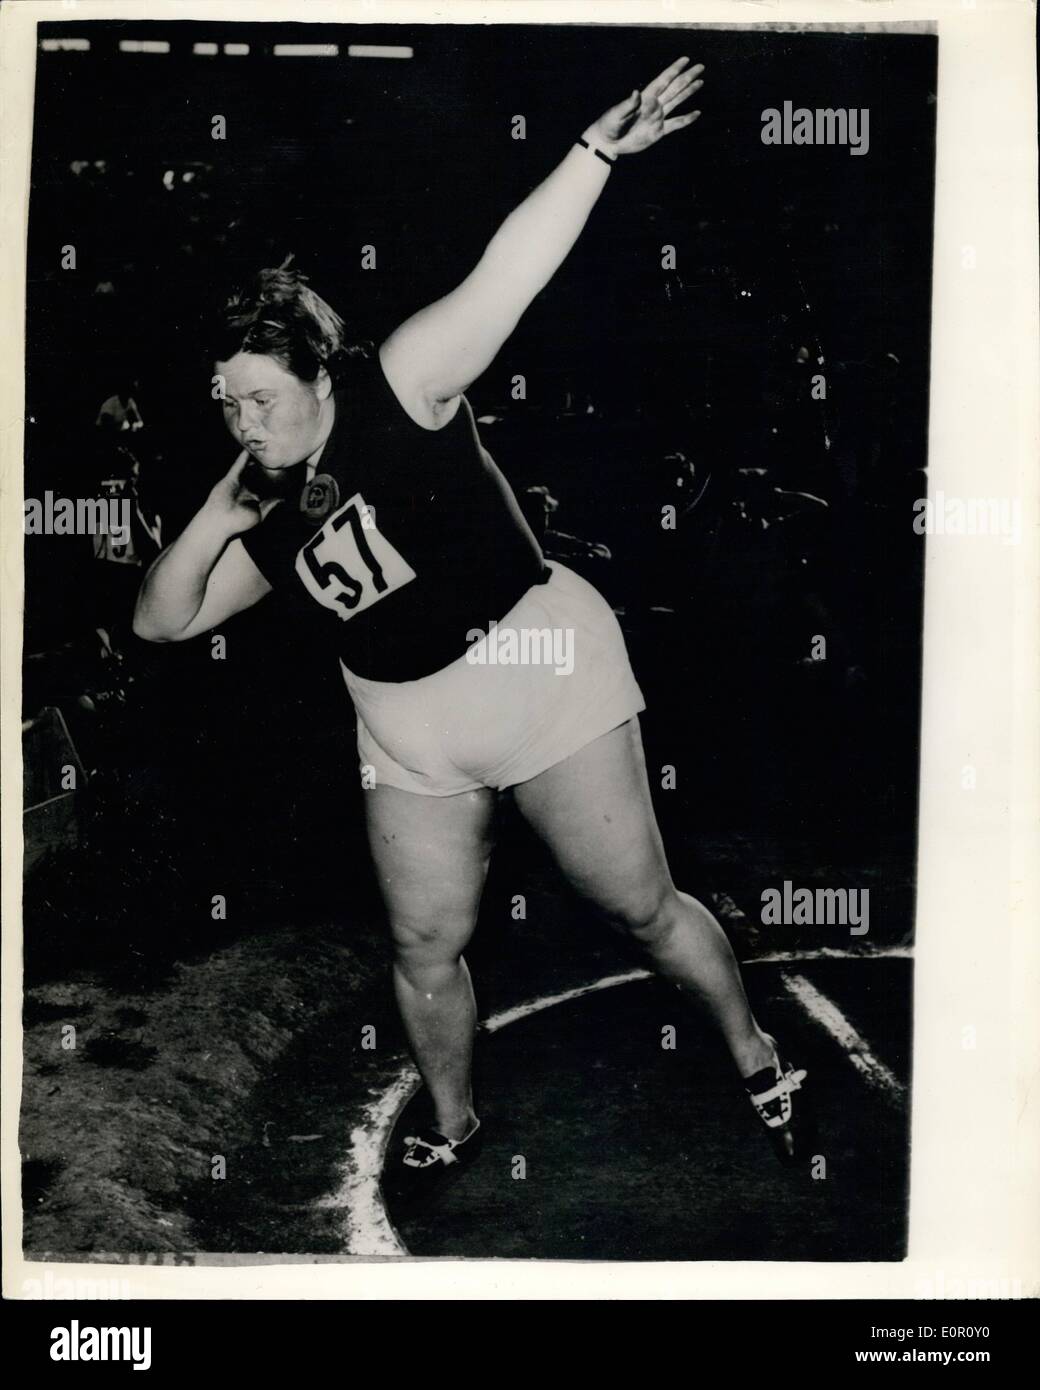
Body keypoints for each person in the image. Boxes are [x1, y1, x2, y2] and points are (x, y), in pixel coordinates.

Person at [134, 57, 808, 1174]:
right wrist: (215, 509)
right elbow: (163, 623)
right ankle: (452, 1123)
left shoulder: (404, 381)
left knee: (639, 907)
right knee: (423, 941)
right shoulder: (258, 498)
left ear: (319, 373)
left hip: (538, 673)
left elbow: (510, 272)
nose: (241, 420)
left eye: (258, 396)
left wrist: (592, 154)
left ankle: (753, 1050)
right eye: (224, 404)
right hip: (404, 730)